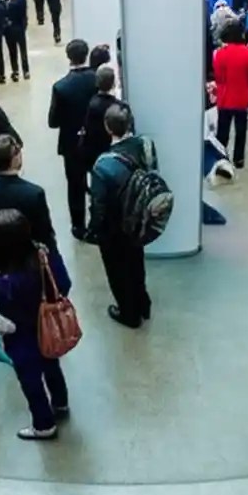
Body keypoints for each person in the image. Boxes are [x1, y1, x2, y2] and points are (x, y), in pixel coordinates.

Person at [0, 209, 73, 440]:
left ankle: (44, 424)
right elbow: (64, 283)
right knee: (51, 364)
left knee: (30, 381)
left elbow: (9, 320)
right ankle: (60, 403)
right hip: (50, 328)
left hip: (23, 337)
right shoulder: (44, 254)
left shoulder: (4, 280)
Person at [88, 105, 156, 329]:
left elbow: (99, 206)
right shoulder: (146, 145)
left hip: (115, 228)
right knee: (137, 262)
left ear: (108, 128)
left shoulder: (103, 165)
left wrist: (95, 231)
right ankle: (143, 303)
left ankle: (129, 314)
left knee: (118, 271)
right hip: (139, 218)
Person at [0, 134, 57, 273]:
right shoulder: (34, 194)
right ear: (15, 158)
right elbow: (45, 233)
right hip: (31, 261)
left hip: (1, 258)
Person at [48, 40, 98, 239]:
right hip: (96, 140)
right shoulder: (96, 80)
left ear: (69, 57)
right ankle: (98, 221)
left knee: (75, 185)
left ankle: (78, 225)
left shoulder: (60, 87)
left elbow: (53, 121)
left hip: (71, 143)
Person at [213, 21, 248, 169]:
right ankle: (238, 159)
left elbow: (218, 77)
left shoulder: (219, 54)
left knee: (222, 131)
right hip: (242, 97)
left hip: (225, 97)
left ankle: (221, 157)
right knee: (241, 131)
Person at [80, 66, 122, 171]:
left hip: (97, 153)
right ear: (113, 84)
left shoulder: (92, 105)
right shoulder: (119, 106)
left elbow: (89, 131)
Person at [4, 0, 31, 82]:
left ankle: (20, 71)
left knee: (18, 51)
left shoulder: (15, 0)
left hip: (15, 27)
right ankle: (20, 71)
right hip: (15, 28)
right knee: (16, 51)